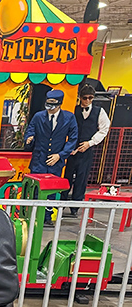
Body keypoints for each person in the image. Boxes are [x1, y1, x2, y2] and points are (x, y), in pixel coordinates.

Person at [24, 89, 79, 225]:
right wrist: (28, 138)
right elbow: (30, 129)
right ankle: (35, 216)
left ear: (59, 104)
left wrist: (60, 155)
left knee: (51, 191)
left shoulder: (69, 118)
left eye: (53, 105)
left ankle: (47, 218)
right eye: (48, 104)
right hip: (39, 160)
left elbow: (73, 139)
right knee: (36, 189)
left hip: (55, 162)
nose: (49, 108)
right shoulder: (38, 116)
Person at [64, 84, 111, 215]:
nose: (88, 101)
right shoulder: (73, 110)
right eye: (85, 98)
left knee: (81, 179)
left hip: (87, 150)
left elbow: (104, 129)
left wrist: (90, 143)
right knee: (66, 177)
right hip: (71, 149)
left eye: (91, 98)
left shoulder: (99, 111)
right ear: (80, 97)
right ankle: (60, 205)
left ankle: (75, 208)